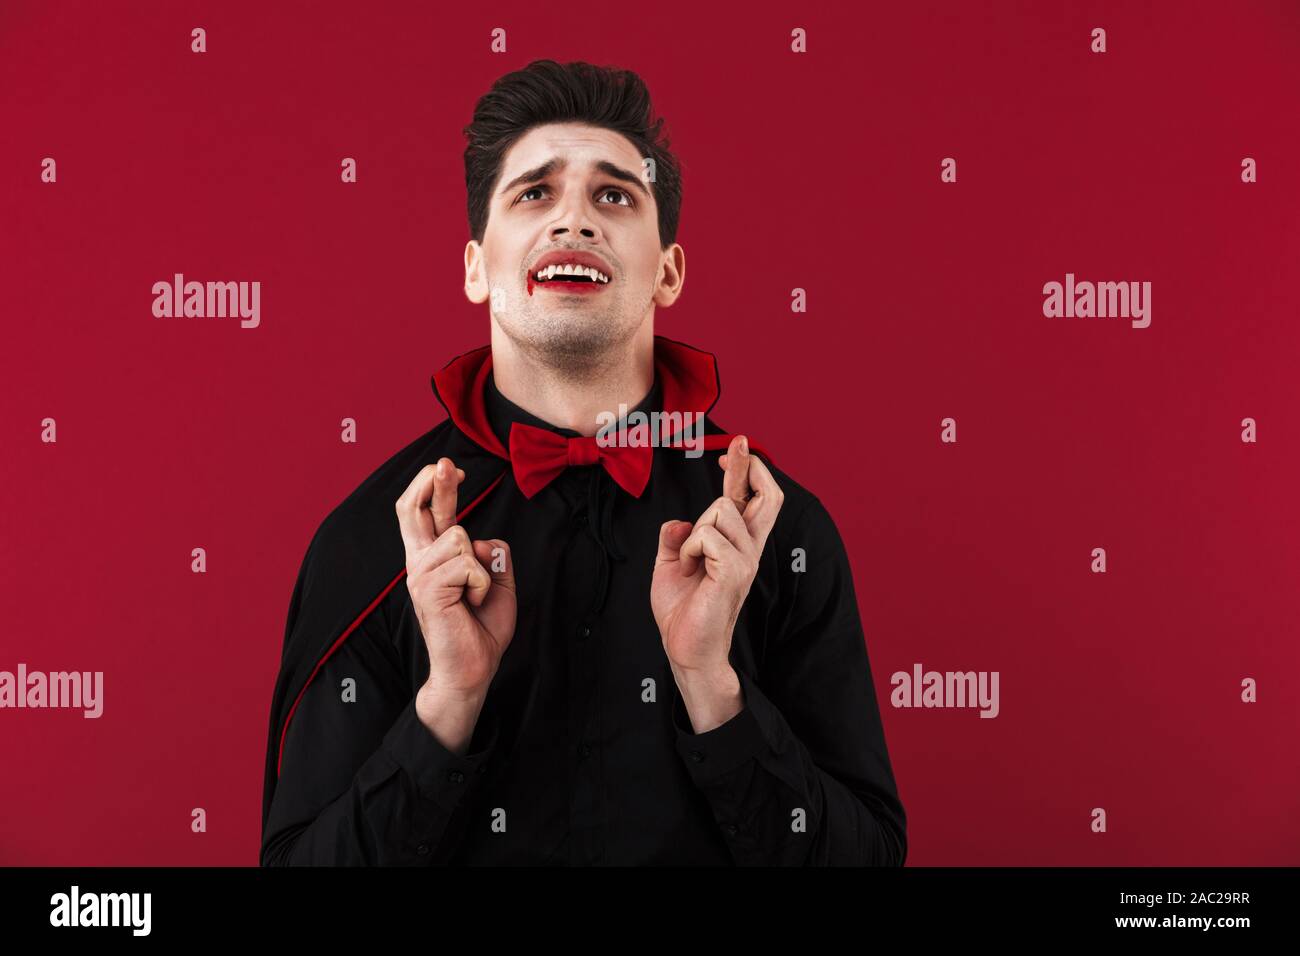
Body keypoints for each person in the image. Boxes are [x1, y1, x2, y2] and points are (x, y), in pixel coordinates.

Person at [260, 59, 906, 866]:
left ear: (667, 271)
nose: (574, 220)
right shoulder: (375, 539)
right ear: (476, 268)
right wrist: (447, 706)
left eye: (614, 196)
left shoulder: (775, 528)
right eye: (535, 194)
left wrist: (713, 686)